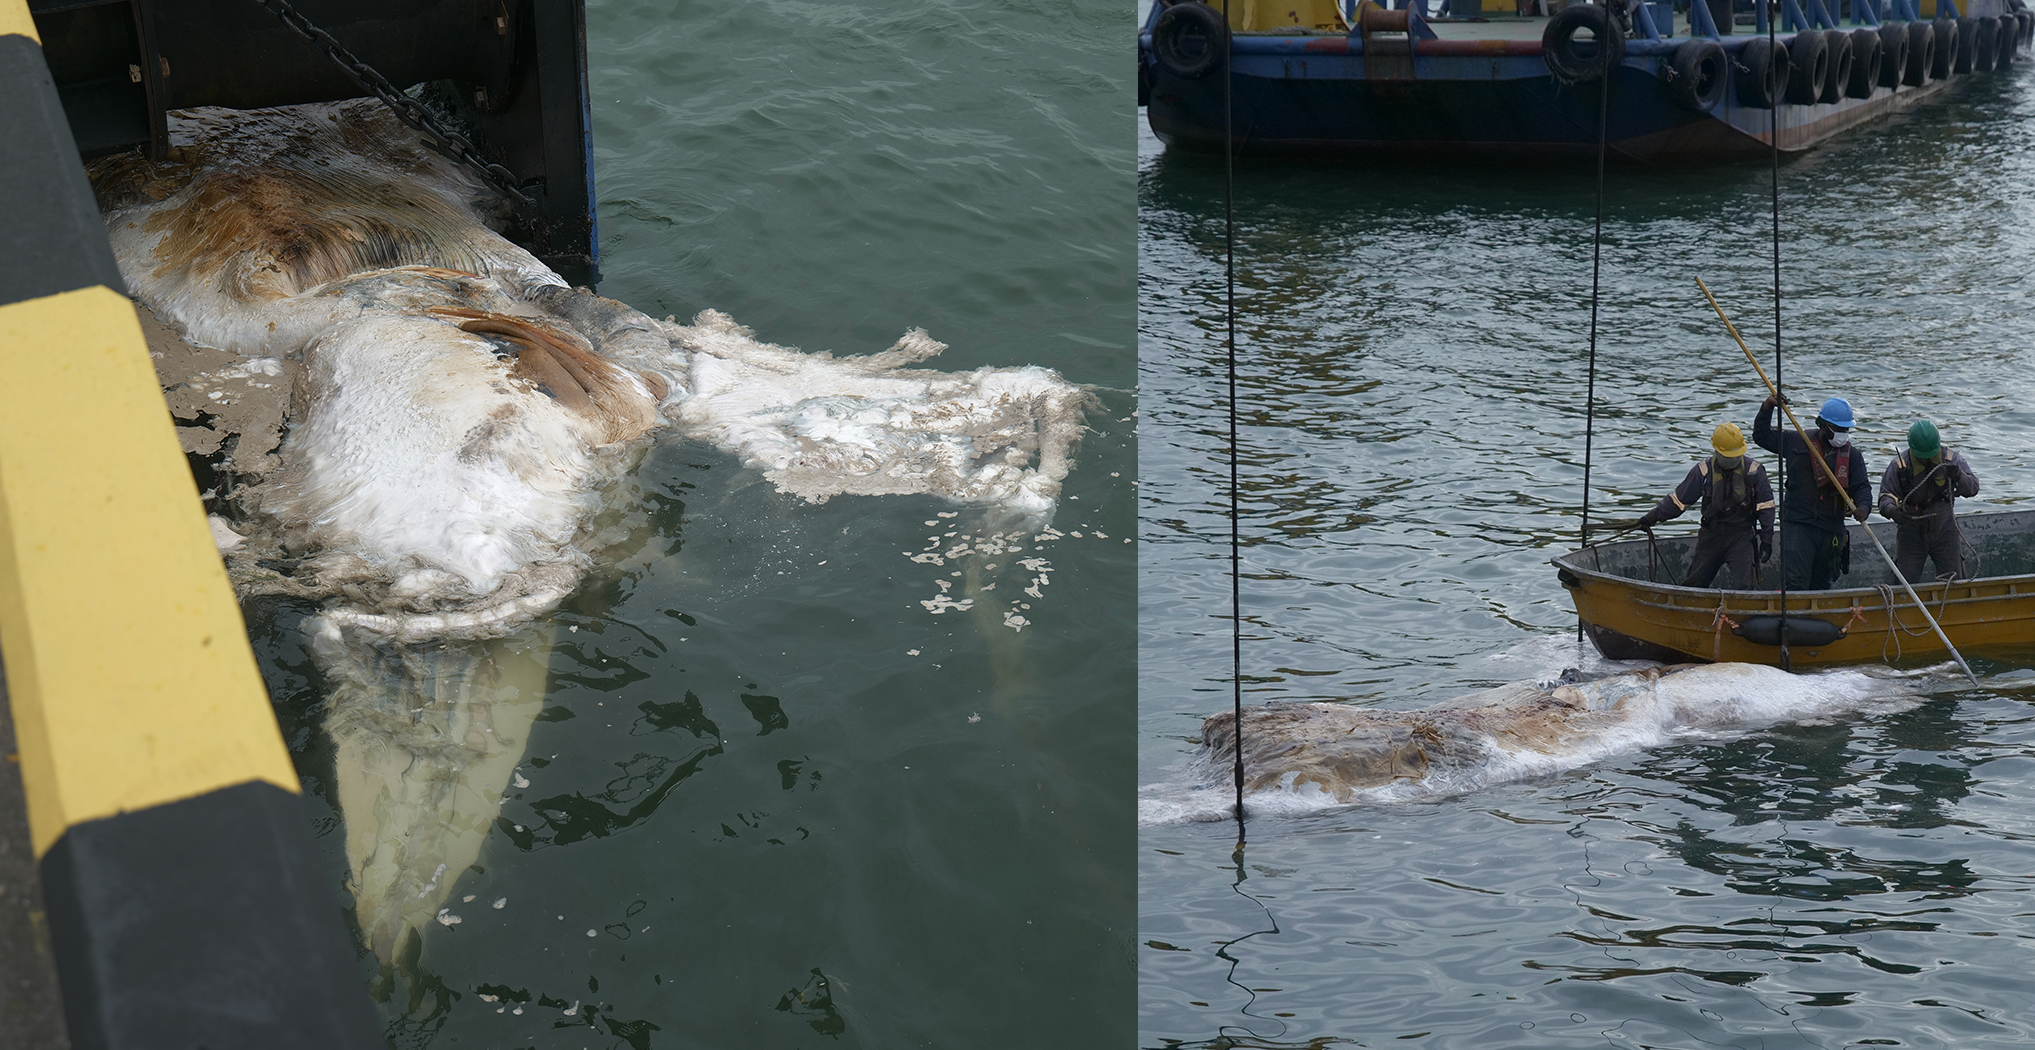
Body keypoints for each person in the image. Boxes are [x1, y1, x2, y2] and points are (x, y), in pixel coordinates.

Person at [1635, 422, 1775, 588]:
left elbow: (1766, 507)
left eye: (1735, 456)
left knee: (1746, 585)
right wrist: (1652, 517)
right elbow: (1678, 501)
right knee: (1695, 584)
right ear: (1717, 451)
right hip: (1711, 536)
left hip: (1741, 537)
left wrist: (1766, 538)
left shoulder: (1754, 471)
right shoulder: (1702, 471)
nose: (1731, 460)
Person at [1753, 393, 1872, 589]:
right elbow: (1761, 436)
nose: (1843, 433)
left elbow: (1862, 487)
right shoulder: (1797, 442)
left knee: (1822, 584)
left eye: (1846, 429)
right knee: (1796, 582)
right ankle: (1793, 617)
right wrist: (1768, 407)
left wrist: (1864, 507)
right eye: (1839, 429)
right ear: (1824, 426)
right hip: (1799, 525)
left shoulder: (1853, 456)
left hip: (1831, 528)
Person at [1877, 420, 1980, 581]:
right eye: (1921, 458)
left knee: (1954, 580)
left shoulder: (1951, 460)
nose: (1926, 460)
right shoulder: (1899, 465)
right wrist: (1892, 511)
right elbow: (1885, 496)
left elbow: (1973, 488)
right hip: (1911, 531)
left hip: (1944, 528)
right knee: (1904, 582)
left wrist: (1959, 475)